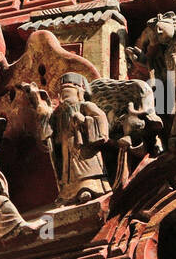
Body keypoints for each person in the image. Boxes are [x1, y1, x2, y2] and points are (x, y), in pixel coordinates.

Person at [23, 72, 112, 204]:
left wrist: (84, 120)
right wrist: (37, 100)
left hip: (83, 144)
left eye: (68, 92)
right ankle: (68, 193)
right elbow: (48, 125)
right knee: (68, 170)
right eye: (63, 93)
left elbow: (100, 118)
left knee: (85, 164)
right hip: (66, 146)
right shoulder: (59, 113)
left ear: (79, 92)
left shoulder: (85, 106)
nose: (65, 96)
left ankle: (88, 187)